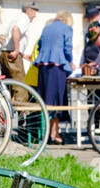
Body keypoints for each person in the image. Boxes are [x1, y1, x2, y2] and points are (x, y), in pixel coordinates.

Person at [35, 11, 74, 144]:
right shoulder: (67, 28)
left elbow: (40, 46)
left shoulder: (47, 28)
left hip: (43, 68)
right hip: (57, 67)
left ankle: (46, 133)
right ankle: (54, 133)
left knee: (45, 100)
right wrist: (70, 62)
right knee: (58, 101)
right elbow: (68, 49)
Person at [0, 2, 40, 104]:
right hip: (12, 57)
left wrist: (21, 53)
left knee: (11, 90)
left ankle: (11, 116)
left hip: (4, 55)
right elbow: (15, 29)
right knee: (21, 90)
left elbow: (1, 37)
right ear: (28, 10)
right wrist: (16, 50)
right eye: (34, 11)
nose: (35, 15)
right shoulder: (24, 18)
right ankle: (20, 119)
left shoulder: (15, 18)